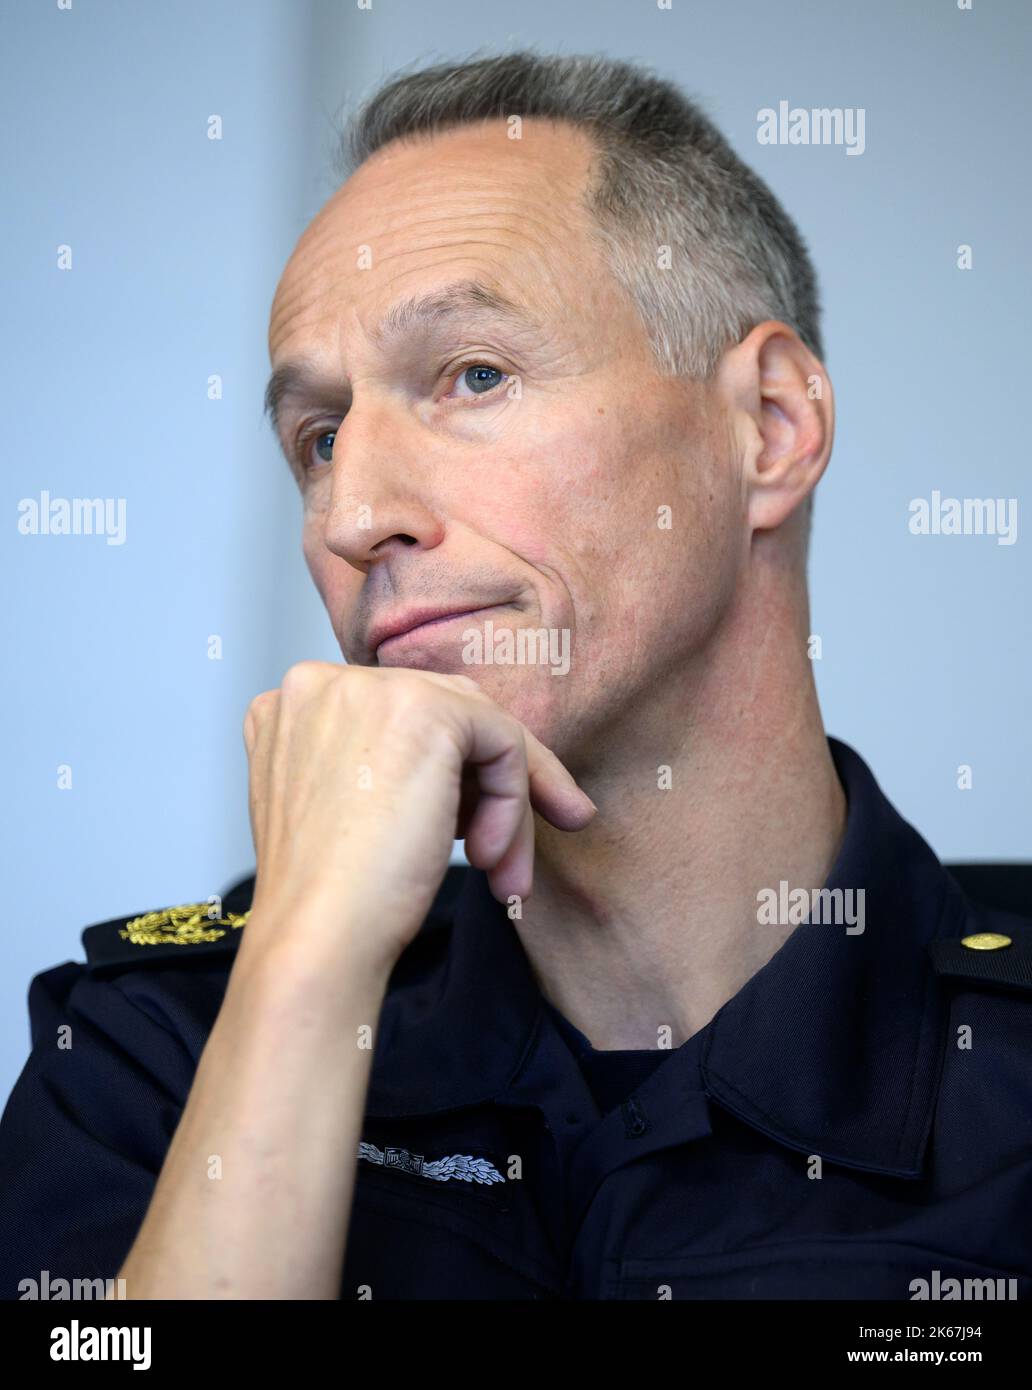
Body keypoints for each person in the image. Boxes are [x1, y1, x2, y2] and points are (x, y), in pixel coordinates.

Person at [2, 52, 1030, 1302]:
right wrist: (307, 969)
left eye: (473, 375)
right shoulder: (157, 1053)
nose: (354, 514)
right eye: (319, 439)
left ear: (766, 428)